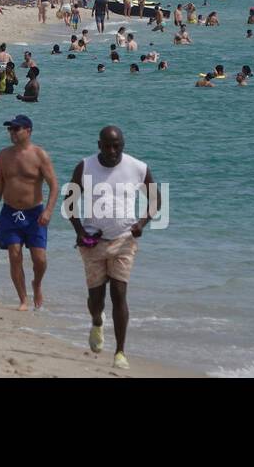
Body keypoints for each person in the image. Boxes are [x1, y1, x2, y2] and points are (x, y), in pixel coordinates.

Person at [65, 125, 157, 370]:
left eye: (117, 146)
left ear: (123, 145)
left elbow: (156, 200)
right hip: (93, 241)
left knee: (119, 293)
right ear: (99, 145)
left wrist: (142, 223)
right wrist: (80, 232)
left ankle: (120, 352)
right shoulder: (85, 167)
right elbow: (69, 203)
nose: (112, 151)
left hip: (124, 240)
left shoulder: (138, 168)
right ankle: (96, 321)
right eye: (107, 145)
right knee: (97, 300)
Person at [0, 114, 58, 310]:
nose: (12, 132)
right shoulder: (3, 155)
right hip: (10, 212)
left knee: (40, 259)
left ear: (28, 131)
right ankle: (23, 299)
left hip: (34, 213)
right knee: (14, 254)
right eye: (10, 129)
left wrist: (48, 211)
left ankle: (37, 283)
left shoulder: (39, 155)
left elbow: (54, 185)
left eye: (16, 129)